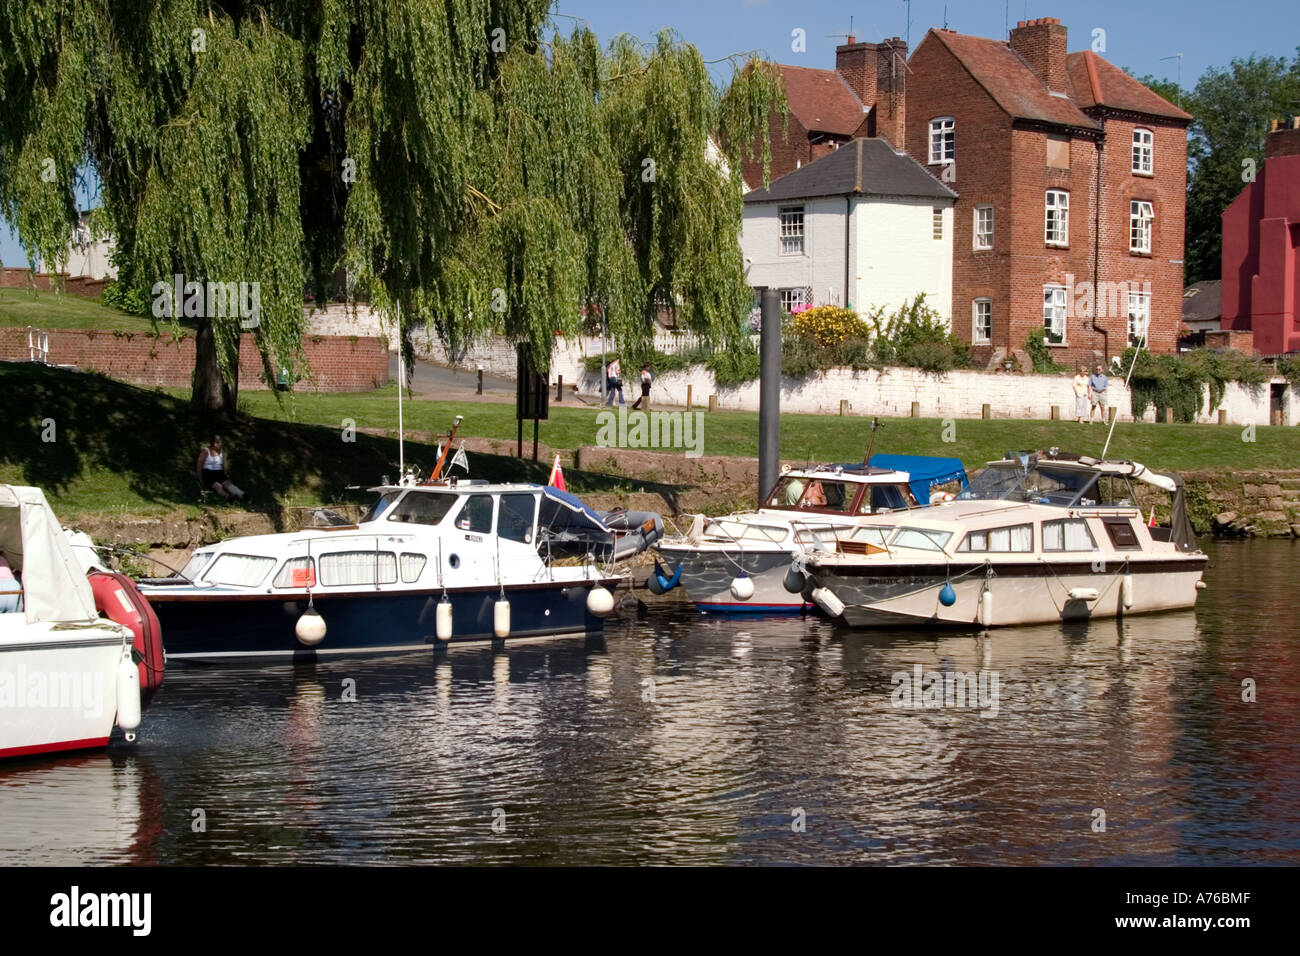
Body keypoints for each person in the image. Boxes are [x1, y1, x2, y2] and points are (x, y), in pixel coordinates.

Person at [196, 435, 245, 500]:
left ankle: (242, 495)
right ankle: (228, 497)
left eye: (220, 442)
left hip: (219, 473)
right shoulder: (206, 451)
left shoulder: (221, 451)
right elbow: (199, 465)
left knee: (228, 484)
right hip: (208, 473)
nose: (219, 444)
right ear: (213, 443)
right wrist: (200, 478)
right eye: (217, 442)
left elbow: (221, 464)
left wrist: (225, 474)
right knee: (218, 486)